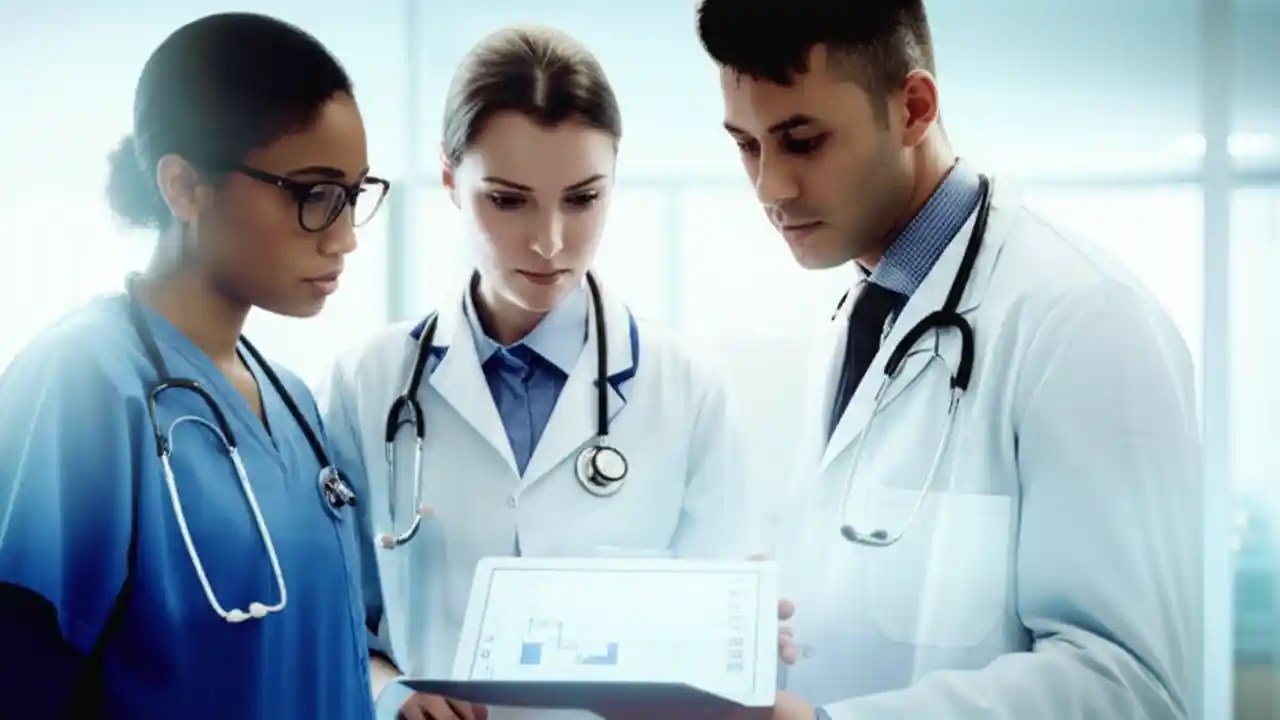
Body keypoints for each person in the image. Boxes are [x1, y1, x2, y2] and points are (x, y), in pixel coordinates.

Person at [694, 1, 1203, 718]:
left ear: (913, 108)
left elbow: (1129, 687)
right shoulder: (861, 320)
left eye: (802, 141)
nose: (769, 188)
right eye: (747, 146)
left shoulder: (1083, 320)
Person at [317, 24, 761, 720]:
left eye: (583, 199)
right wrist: (387, 690)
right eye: (508, 199)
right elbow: (333, 615)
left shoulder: (689, 389)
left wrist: (742, 637)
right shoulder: (366, 383)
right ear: (449, 181)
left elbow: (724, 654)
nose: (550, 240)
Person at [0, 13, 391, 719]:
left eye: (355, 195)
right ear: (184, 187)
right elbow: (20, 673)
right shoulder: (82, 381)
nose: (345, 238)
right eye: (314, 195)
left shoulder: (294, 402)